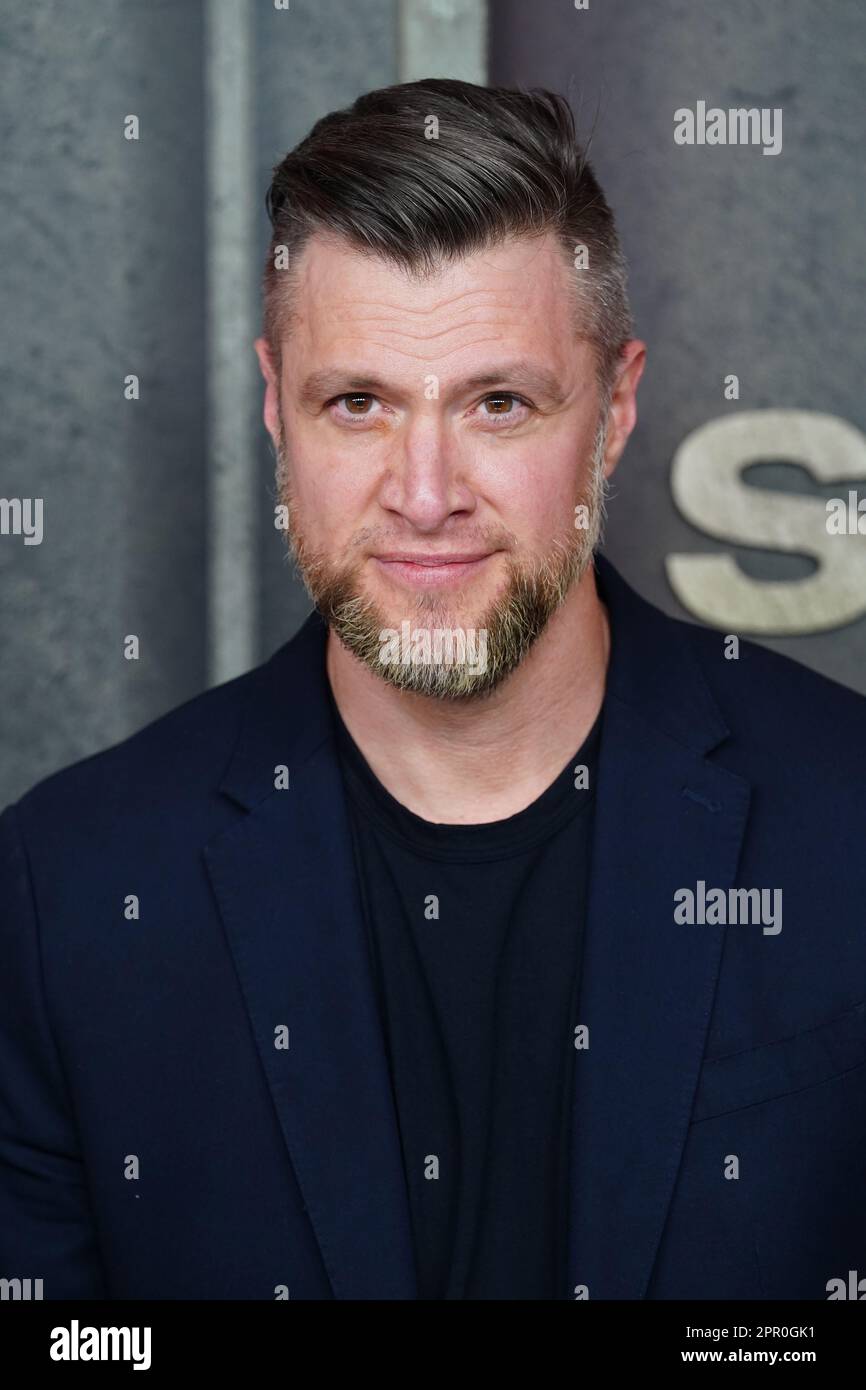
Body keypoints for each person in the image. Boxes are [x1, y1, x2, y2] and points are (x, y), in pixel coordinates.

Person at [1, 79, 864, 1301]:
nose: (422, 492)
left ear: (614, 408)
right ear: (271, 406)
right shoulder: (65, 893)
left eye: (497, 404)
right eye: (357, 403)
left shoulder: (847, 823)